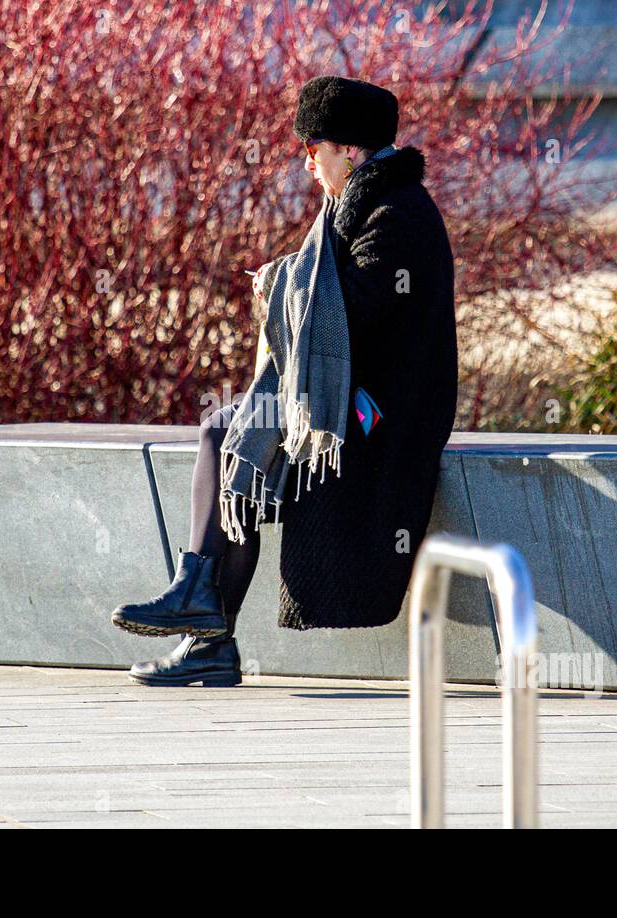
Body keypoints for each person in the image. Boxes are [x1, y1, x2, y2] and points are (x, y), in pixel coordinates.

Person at [111, 75, 459, 687]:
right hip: (348, 396)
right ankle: (202, 616)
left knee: (235, 434)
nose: (306, 162)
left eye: (313, 147)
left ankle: (203, 618)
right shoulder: (355, 208)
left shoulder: (397, 213)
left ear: (349, 150)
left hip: (383, 416)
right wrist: (290, 282)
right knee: (233, 434)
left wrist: (281, 283)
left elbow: (352, 311)